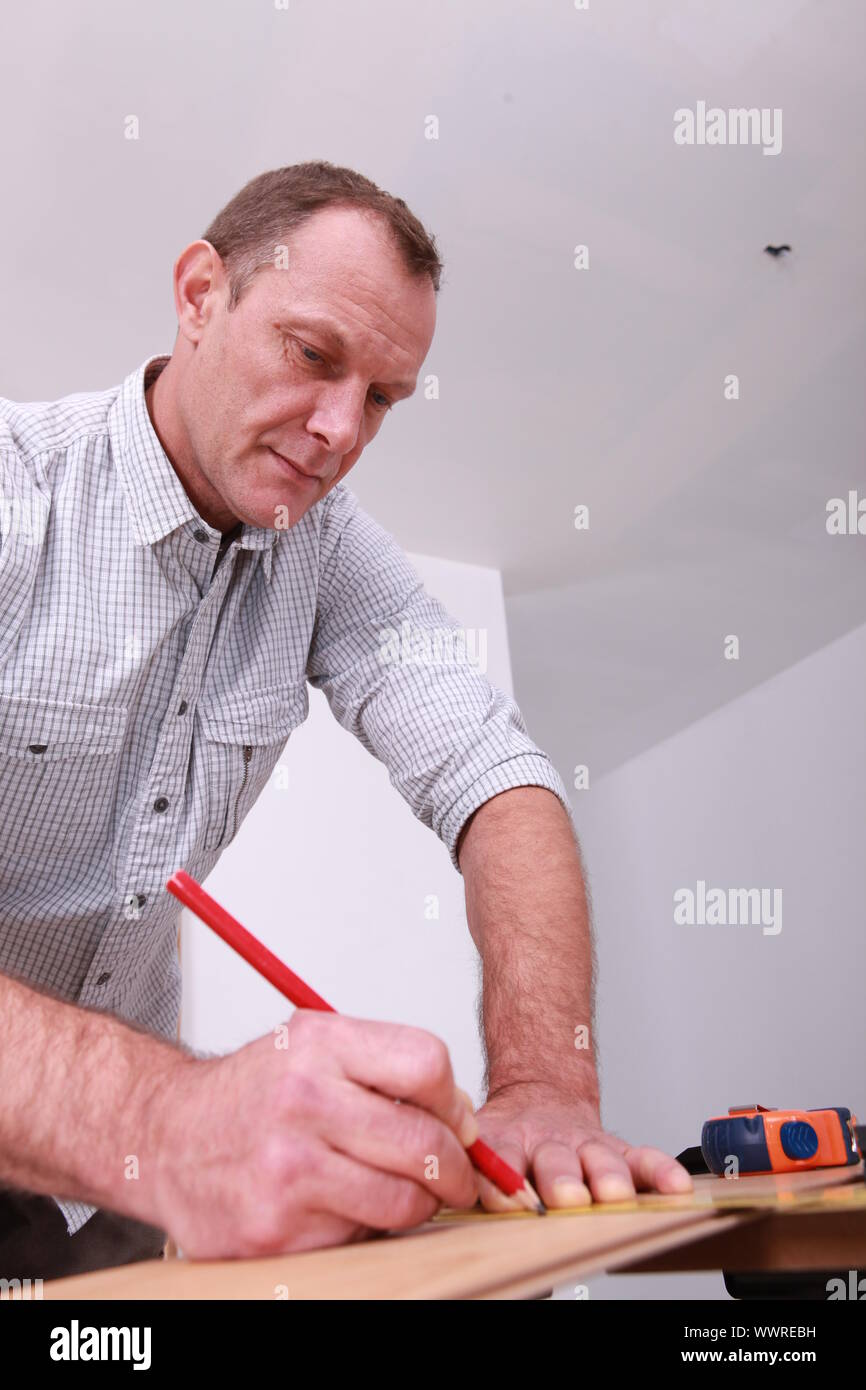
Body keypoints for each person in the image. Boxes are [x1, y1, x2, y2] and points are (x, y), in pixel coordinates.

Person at [0, 161, 691, 1282]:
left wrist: (544, 1089)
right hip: (133, 1133)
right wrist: (179, 1115)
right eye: (313, 354)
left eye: (379, 398)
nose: (337, 431)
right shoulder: (14, 494)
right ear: (198, 296)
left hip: (101, 1197)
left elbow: (497, 779)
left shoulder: (320, 549)